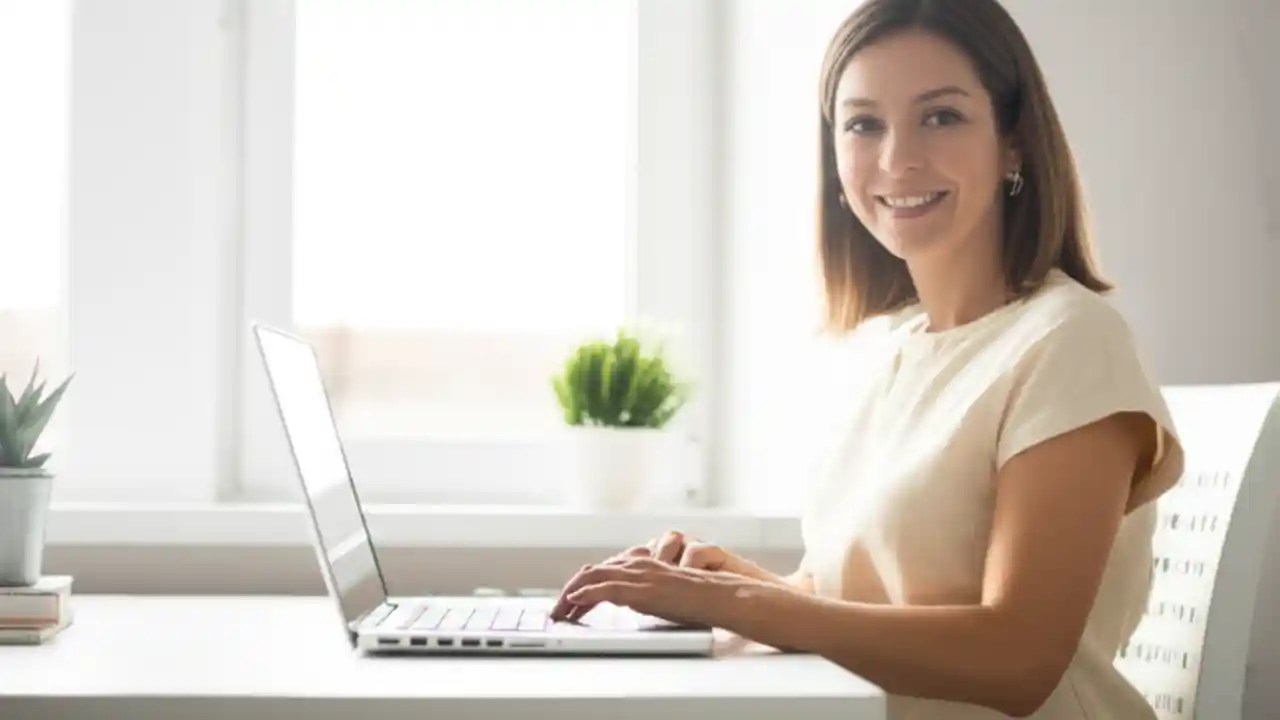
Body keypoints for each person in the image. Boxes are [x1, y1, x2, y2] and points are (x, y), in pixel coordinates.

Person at [549, 0, 1184, 717]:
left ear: (1013, 142)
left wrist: (743, 603)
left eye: (940, 116)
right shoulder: (883, 351)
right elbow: (869, 606)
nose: (897, 159)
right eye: (863, 124)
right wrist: (742, 588)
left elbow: (1019, 658)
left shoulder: (1069, 342)